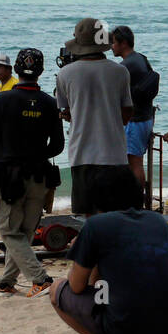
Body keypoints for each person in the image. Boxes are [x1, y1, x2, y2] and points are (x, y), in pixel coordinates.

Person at [50, 166, 168, 334]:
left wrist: (83, 252)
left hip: (126, 329)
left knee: (57, 288)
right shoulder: (157, 221)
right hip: (167, 330)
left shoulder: (96, 226)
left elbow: (77, 287)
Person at [0, 48, 63, 296]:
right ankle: (7, 281)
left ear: (16, 70)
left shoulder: (2, 100)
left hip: (9, 177)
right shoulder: (50, 103)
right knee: (25, 232)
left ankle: (40, 280)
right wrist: (37, 155)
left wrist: (3, 159)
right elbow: (58, 145)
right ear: (40, 72)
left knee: (9, 231)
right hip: (39, 175)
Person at [54, 17, 133, 215]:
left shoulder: (65, 74)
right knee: (115, 215)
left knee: (87, 218)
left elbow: (66, 111)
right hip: (115, 156)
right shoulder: (120, 72)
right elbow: (126, 113)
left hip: (82, 155)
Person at [109, 25, 160, 199]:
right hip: (145, 117)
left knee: (134, 163)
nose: (111, 46)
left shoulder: (125, 66)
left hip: (135, 121)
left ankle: (136, 200)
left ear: (123, 43)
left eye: (113, 42)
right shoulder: (141, 59)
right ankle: (136, 198)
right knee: (136, 161)